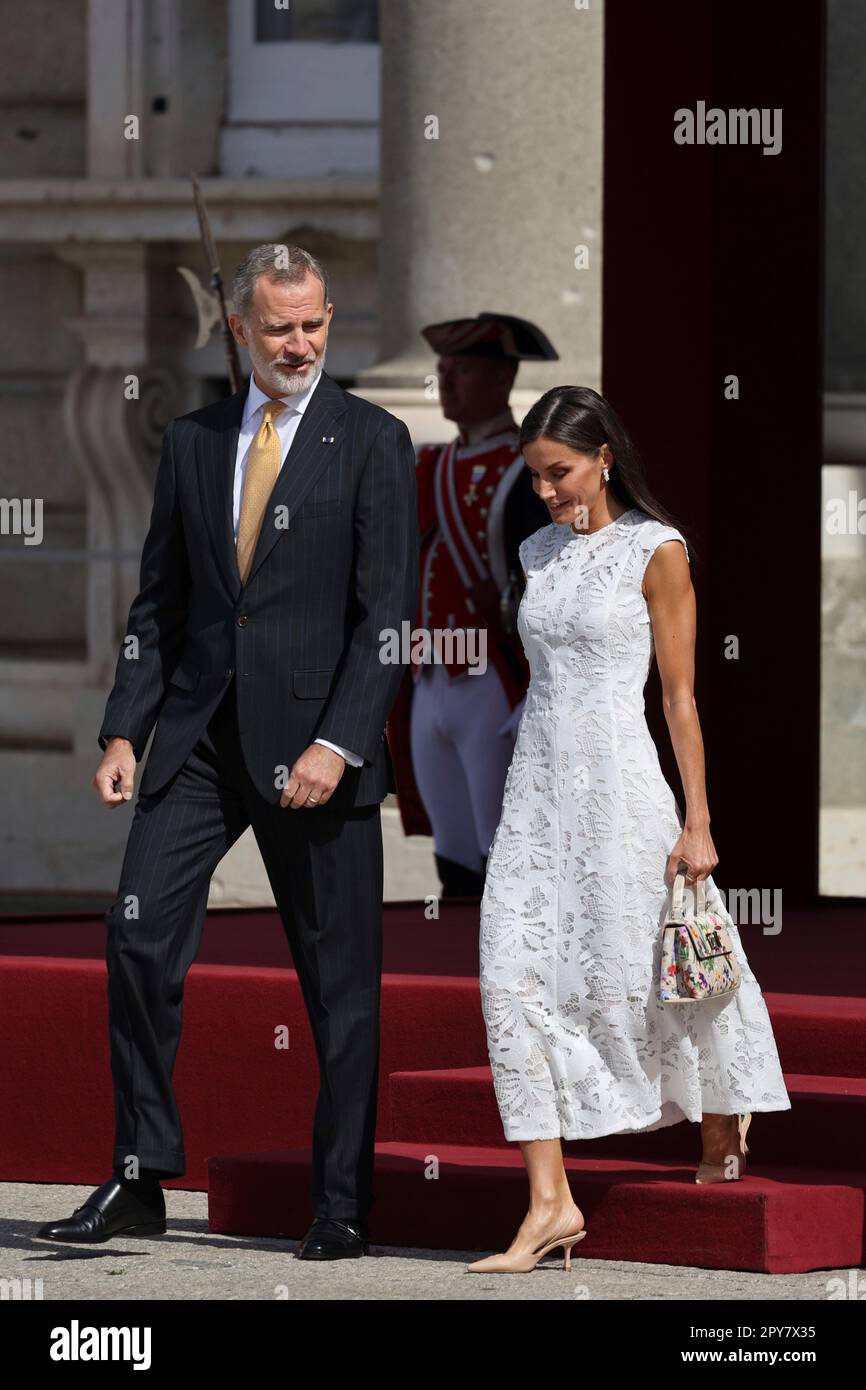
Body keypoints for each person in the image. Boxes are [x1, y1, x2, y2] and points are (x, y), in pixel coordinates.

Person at [35, 243, 419, 1260]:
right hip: (197, 738)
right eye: (279, 326)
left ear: (329, 320)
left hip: (314, 752)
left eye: (315, 324)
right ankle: (139, 1170)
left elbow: (386, 614)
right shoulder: (194, 439)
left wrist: (339, 742)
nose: (300, 343)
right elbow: (160, 601)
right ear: (237, 328)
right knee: (136, 938)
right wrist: (126, 725)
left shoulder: (372, 440)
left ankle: (340, 1202)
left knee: (338, 987)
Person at [467, 385, 791, 1274]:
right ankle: (550, 1204)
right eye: (533, 477)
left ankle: (723, 1111)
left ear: (604, 456)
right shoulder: (535, 550)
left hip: (623, 787)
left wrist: (699, 820)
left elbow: (679, 698)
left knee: (661, 964)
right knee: (510, 976)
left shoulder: (659, 550)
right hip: (536, 794)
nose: (545, 492)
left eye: (559, 473)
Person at [386, 313, 553, 897]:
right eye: (442, 373)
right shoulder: (425, 465)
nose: (447, 385)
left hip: (494, 680)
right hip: (429, 676)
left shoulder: (530, 469)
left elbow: (556, 579)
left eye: (462, 372)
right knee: (452, 853)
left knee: (503, 849)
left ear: (502, 379)